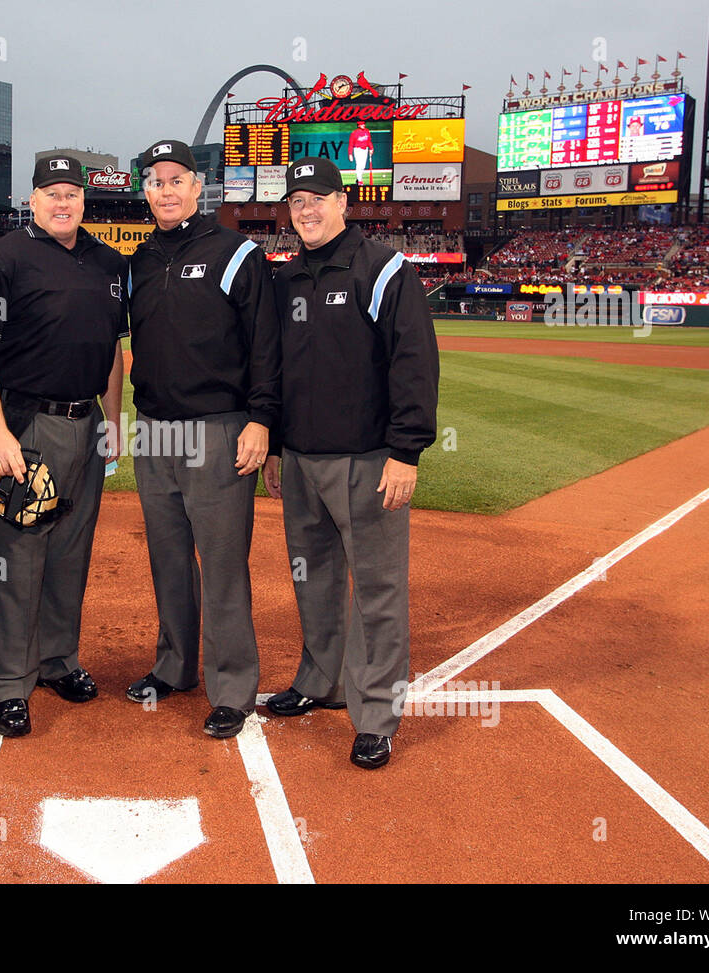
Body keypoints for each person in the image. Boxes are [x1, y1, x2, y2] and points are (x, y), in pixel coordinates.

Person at [262, 157, 439, 769]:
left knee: (379, 591)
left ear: (343, 202)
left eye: (317, 198)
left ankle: (376, 716)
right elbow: (279, 373)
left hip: (367, 462)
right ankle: (321, 682)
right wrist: (279, 446)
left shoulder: (385, 270)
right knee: (314, 580)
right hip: (303, 462)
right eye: (296, 202)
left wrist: (405, 453)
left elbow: (414, 364)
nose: (306, 210)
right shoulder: (286, 279)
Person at [0, 153, 127, 738]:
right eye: (51, 193)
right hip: (26, 426)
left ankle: (58, 660)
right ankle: (8, 682)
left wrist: (113, 419)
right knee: (17, 559)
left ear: (86, 201)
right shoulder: (6, 257)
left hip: (86, 425)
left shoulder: (108, 263)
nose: (63, 202)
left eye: (72, 194)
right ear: (32, 200)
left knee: (69, 554)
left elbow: (111, 353)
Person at [125, 139, 281, 739]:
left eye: (176, 179)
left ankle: (234, 686)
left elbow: (266, 346)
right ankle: (174, 667)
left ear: (197, 186)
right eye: (156, 181)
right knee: (168, 562)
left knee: (221, 565)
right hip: (155, 433)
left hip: (218, 431)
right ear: (147, 191)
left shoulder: (237, 253)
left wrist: (261, 420)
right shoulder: (139, 260)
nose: (165, 190)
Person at [350, 121, 374, 187]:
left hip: (365, 149)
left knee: (363, 166)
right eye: (362, 124)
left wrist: (371, 148)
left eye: (364, 124)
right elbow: (351, 144)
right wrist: (350, 154)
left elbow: (368, 141)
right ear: (358, 125)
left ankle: (358, 179)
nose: (364, 125)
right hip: (357, 149)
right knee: (359, 165)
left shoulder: (367, 131)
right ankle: (360, 180)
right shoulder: (354, 133)